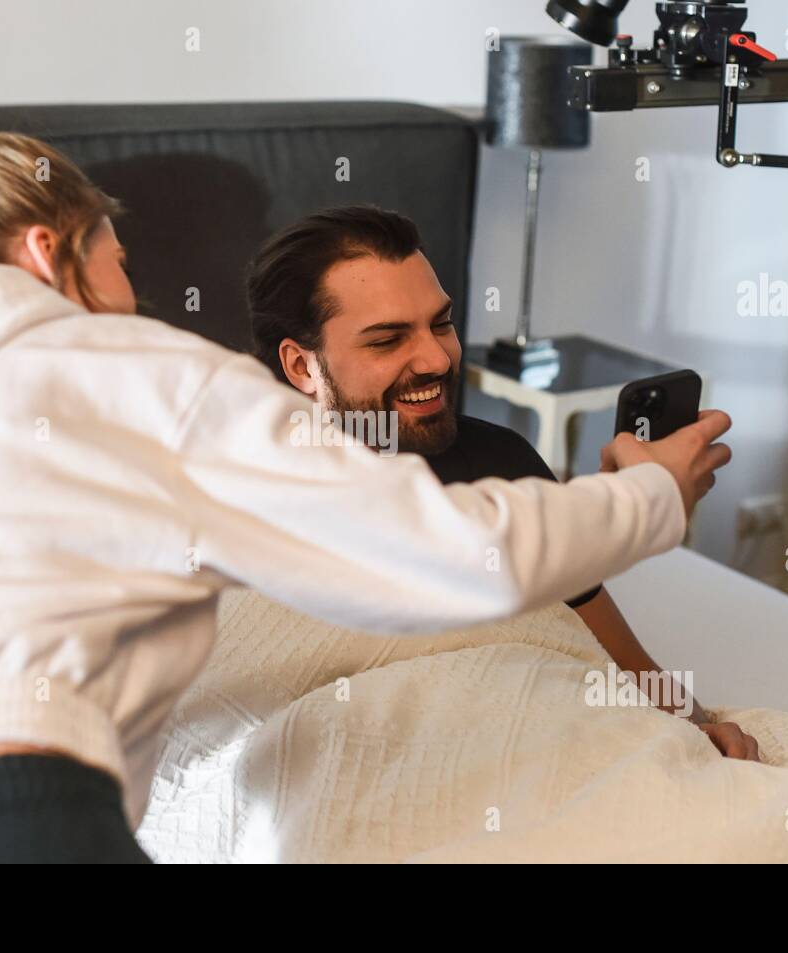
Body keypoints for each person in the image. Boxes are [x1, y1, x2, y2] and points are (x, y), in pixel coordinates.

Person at [0, 115, 731, 863]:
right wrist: (650, 497)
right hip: (11, 817)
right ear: (47, 250)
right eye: (119, 262)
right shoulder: (130, 374)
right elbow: (456, 558)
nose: (132, 296)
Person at [247, 205, 758, 761]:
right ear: (301, 367)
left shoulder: (497, 458)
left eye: (440, 323)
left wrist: (697, 725)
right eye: (388, 340)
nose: (436, 359)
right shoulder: (235, 500)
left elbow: (612, 652)